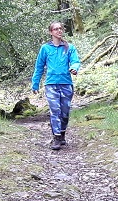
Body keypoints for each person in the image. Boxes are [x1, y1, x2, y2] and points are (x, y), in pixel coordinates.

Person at [31, 22, 81, 150]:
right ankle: (56, 137)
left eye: (60, 28)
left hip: (66, 83)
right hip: (51, 84)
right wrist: (35, 84)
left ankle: (62, 134)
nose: (59, 31)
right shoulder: (45, 48)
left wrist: (74, 68)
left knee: (65, 112)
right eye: (56, 29)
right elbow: (39, 67)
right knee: (55, 110)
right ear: (51, 32)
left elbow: (75, 61)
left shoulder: (69, 47)